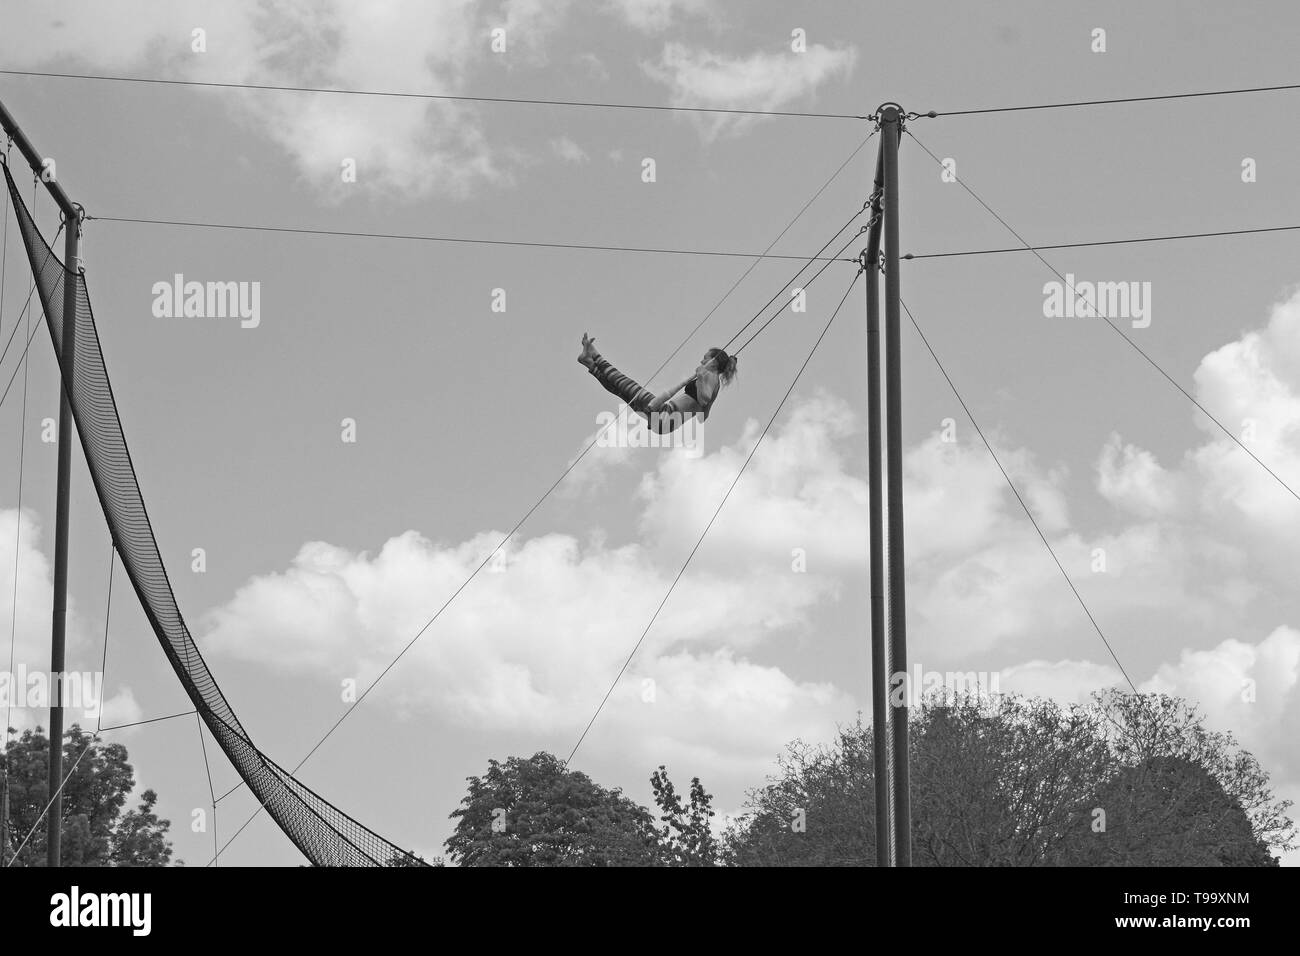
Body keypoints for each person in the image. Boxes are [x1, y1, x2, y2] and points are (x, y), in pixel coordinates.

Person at [578, 333, 737, 434]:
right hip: (664, 422)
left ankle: (595, 354)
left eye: (706, 357)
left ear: (714, 362)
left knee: (624, 383)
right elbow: (703, 417)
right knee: (622, 391)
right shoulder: (714, 383)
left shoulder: (710, 376)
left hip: (665, 416)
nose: (702, 359)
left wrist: (701, 377)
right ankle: (590, 364)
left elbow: (704, 398)